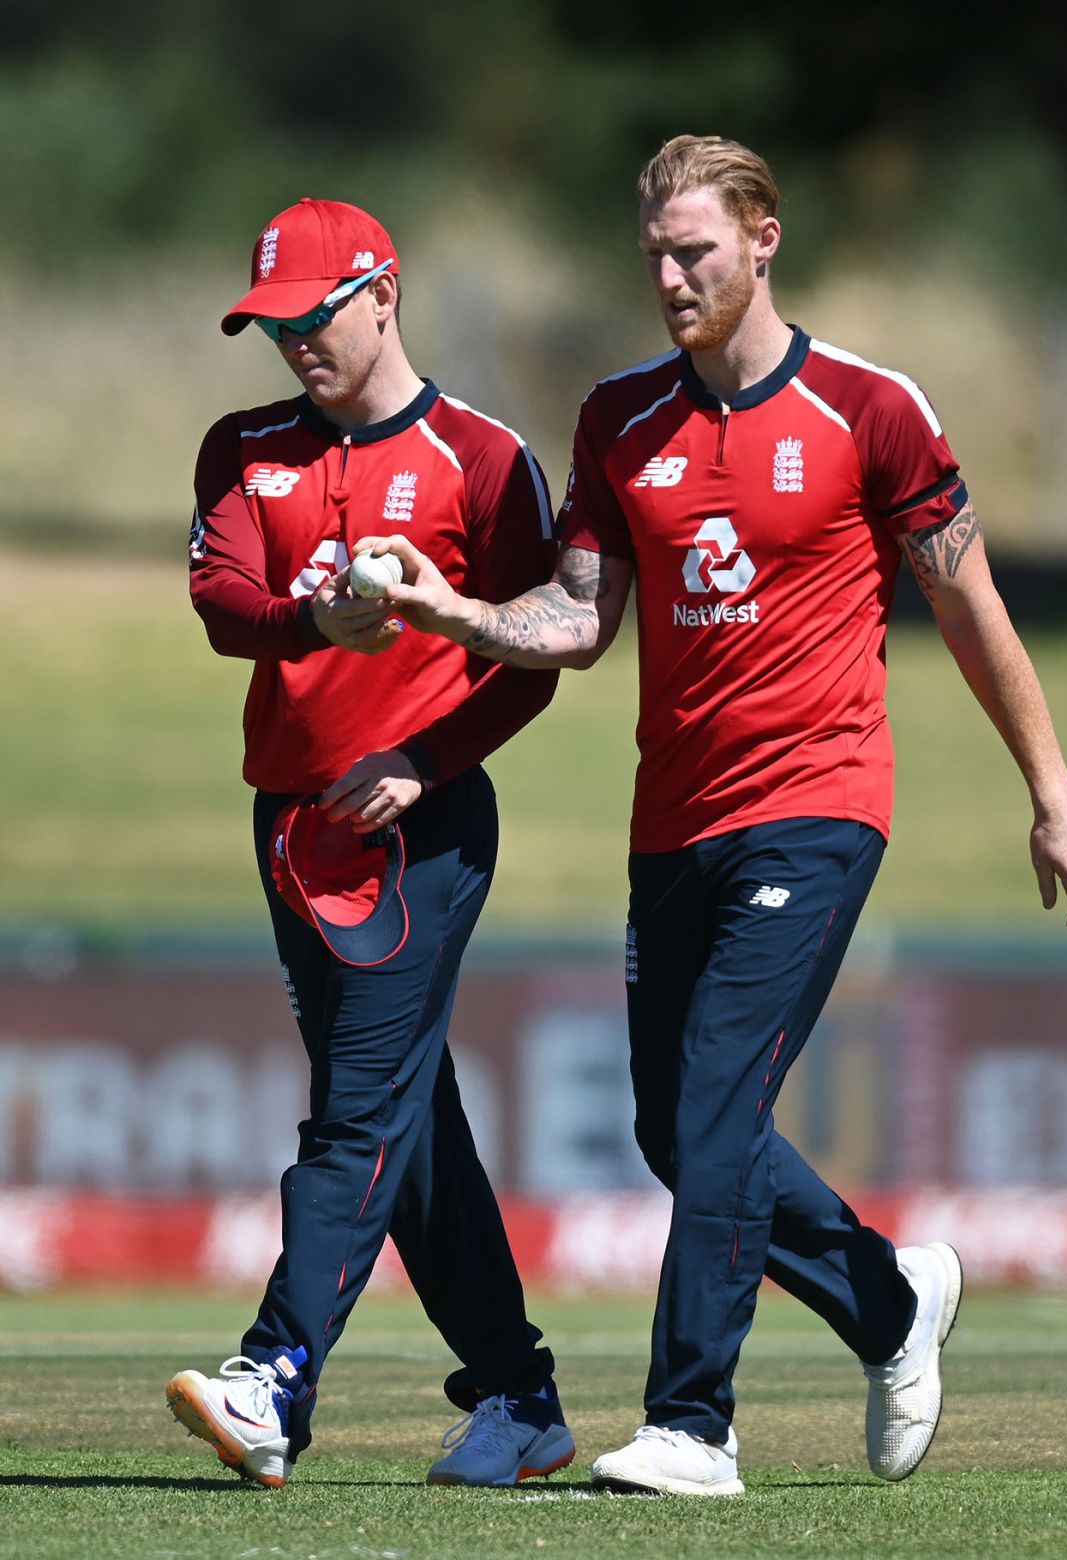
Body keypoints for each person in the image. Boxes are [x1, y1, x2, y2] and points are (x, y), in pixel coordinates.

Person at [358, 135, 1067, 1497]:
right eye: (652, 251)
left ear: (765, 241)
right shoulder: (620, 419)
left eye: (693, 250)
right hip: (675, 826)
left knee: (713, 1101)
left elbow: (971, 605)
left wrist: (1054, 796)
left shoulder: (869, 412)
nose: (669, 275)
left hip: (819, 806)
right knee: (676, 1128)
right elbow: (581, 619)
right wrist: (451, 611)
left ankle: (693, 1423)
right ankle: (889, 1302)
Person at [166, 196, 575, 1490]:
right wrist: (314, 620)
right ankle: (519, 1394)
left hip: (419, 829)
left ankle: (274, 1377)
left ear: (382, 293)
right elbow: (224, 598)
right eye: (272, 325)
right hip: (289, 826)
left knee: (357, 1110)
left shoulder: (480, 456)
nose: (294, 343)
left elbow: (533, 654)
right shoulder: (243, 447)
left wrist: (426, 758)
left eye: (313, 316)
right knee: (408, 1119)